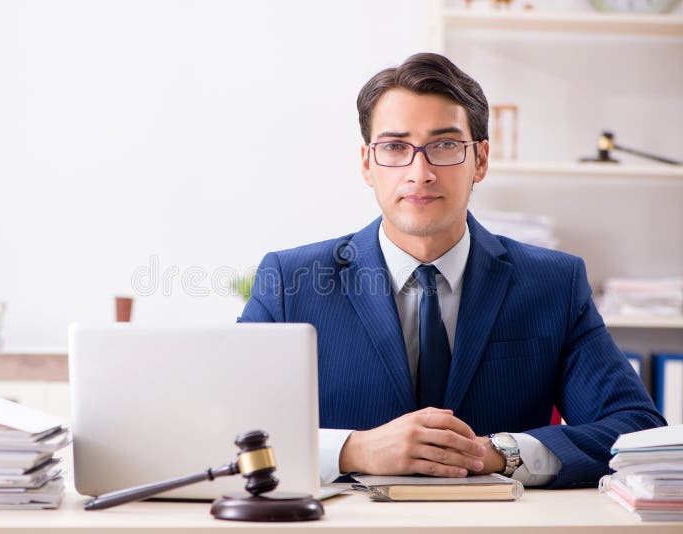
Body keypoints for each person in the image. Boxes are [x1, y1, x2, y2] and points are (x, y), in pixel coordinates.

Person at [239, 52, 665, 489]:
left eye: (444, 146)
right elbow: (227, 428)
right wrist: (356, 450)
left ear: (480, 160)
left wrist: (497, 453)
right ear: (367, 163)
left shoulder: (554, 284)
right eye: (394, 147)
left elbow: (637, 433)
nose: (419, 173)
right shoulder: (290, 282)